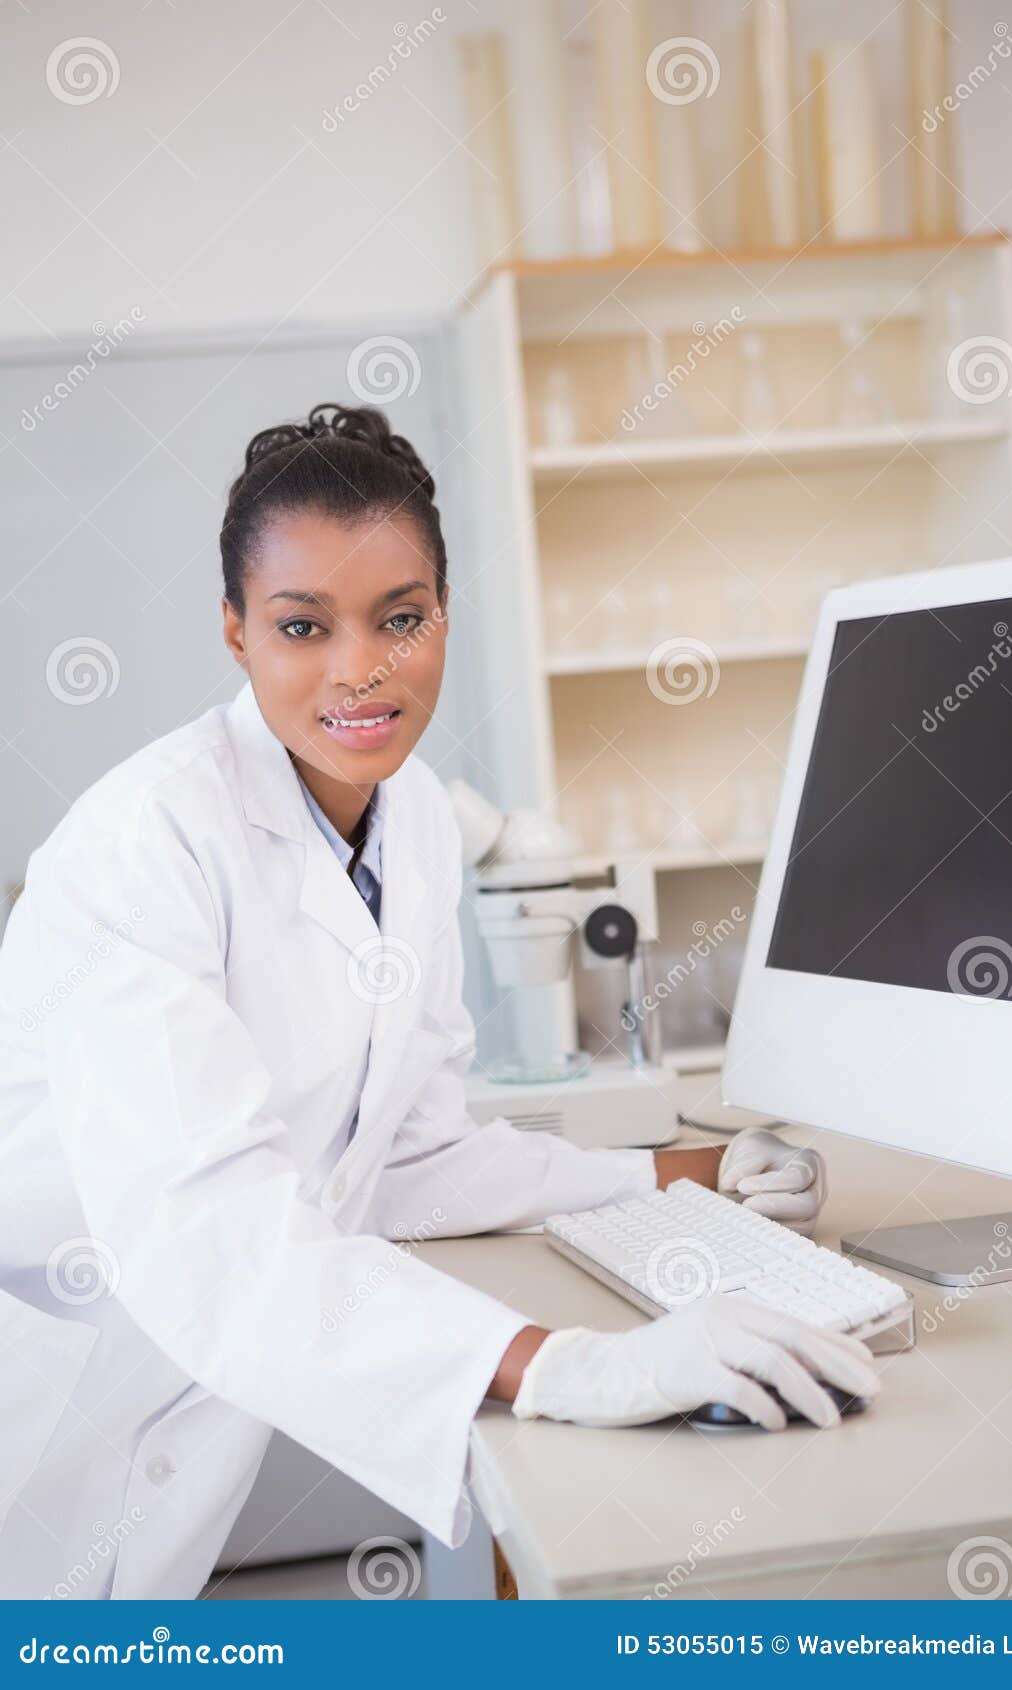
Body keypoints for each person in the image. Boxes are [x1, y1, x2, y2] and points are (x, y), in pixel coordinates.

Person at [0, 404, 878, 1600]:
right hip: (46, 1414)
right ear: (235, 631)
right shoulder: (138, 845)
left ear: (443, 618)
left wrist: (688, 1179)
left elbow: (405, 1156)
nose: (360, 670)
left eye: (399, 619)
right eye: (302, 626)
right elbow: (205, 1230)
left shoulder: (408, 819)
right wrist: (569, 1368)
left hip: (179, 1433)